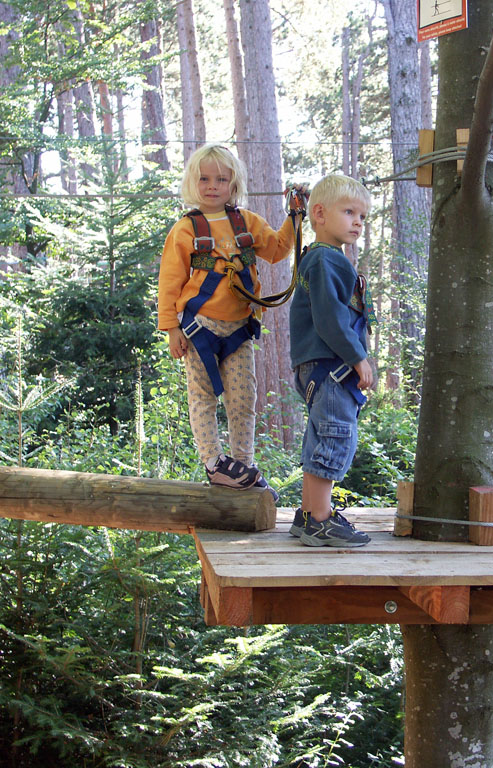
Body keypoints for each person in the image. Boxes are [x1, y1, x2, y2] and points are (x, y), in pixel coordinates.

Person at [158, 143, 303, 499]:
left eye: (221, 179)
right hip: (200, 328)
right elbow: (169, 281)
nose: (212, 186)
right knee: (202, 397)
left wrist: (295, 216)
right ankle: (214, 462)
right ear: (193, 183)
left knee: (243, 399)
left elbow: (278, 249)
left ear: (233, 183)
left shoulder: (247, 223)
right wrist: (171, 328)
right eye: (205, 179)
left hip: (239, 328)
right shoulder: (186, 229)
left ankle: (243, 463)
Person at [288, 173, 375, 547]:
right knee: (336, 433)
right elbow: (329, 317)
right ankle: (319, 519)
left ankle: (311, 514)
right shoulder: (325, 260)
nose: (357, 221)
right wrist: (357, 357)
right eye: (349, 212)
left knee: (323, 433)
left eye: (363, 216)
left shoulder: (327, 259)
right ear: (319, 213)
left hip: (321, 367)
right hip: (330, 366)